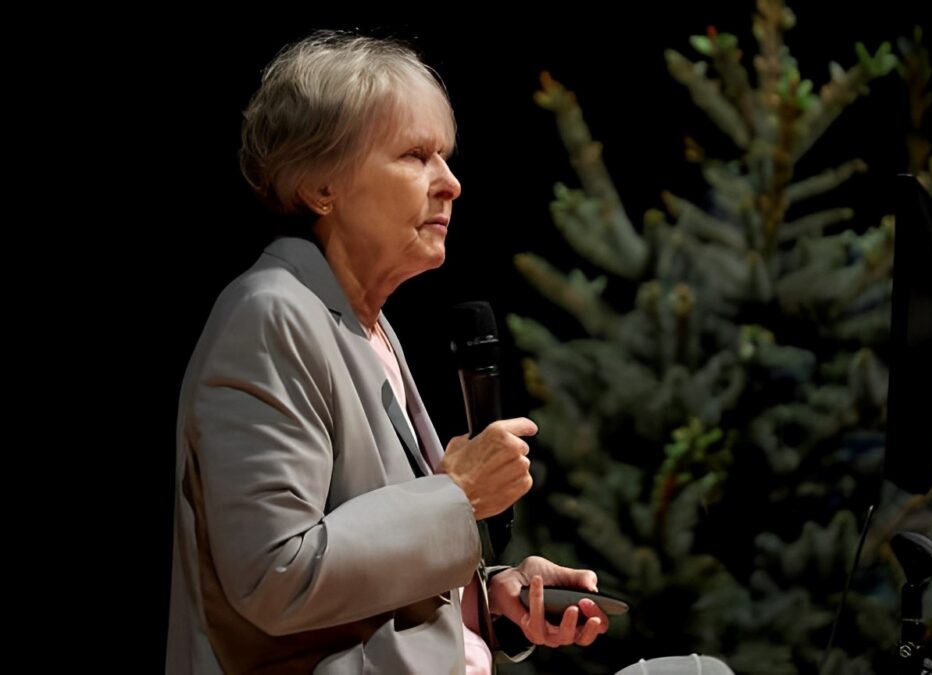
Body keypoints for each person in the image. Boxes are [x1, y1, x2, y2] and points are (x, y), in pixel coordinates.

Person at [166, 30, 610, 674]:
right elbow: (275, 576)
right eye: (415, 156)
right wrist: (455, 497)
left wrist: (490, 601)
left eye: (446, 157)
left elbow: (366, 585)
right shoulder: (268, 317)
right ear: (322, 186)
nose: (451, 183)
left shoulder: (364, 324)